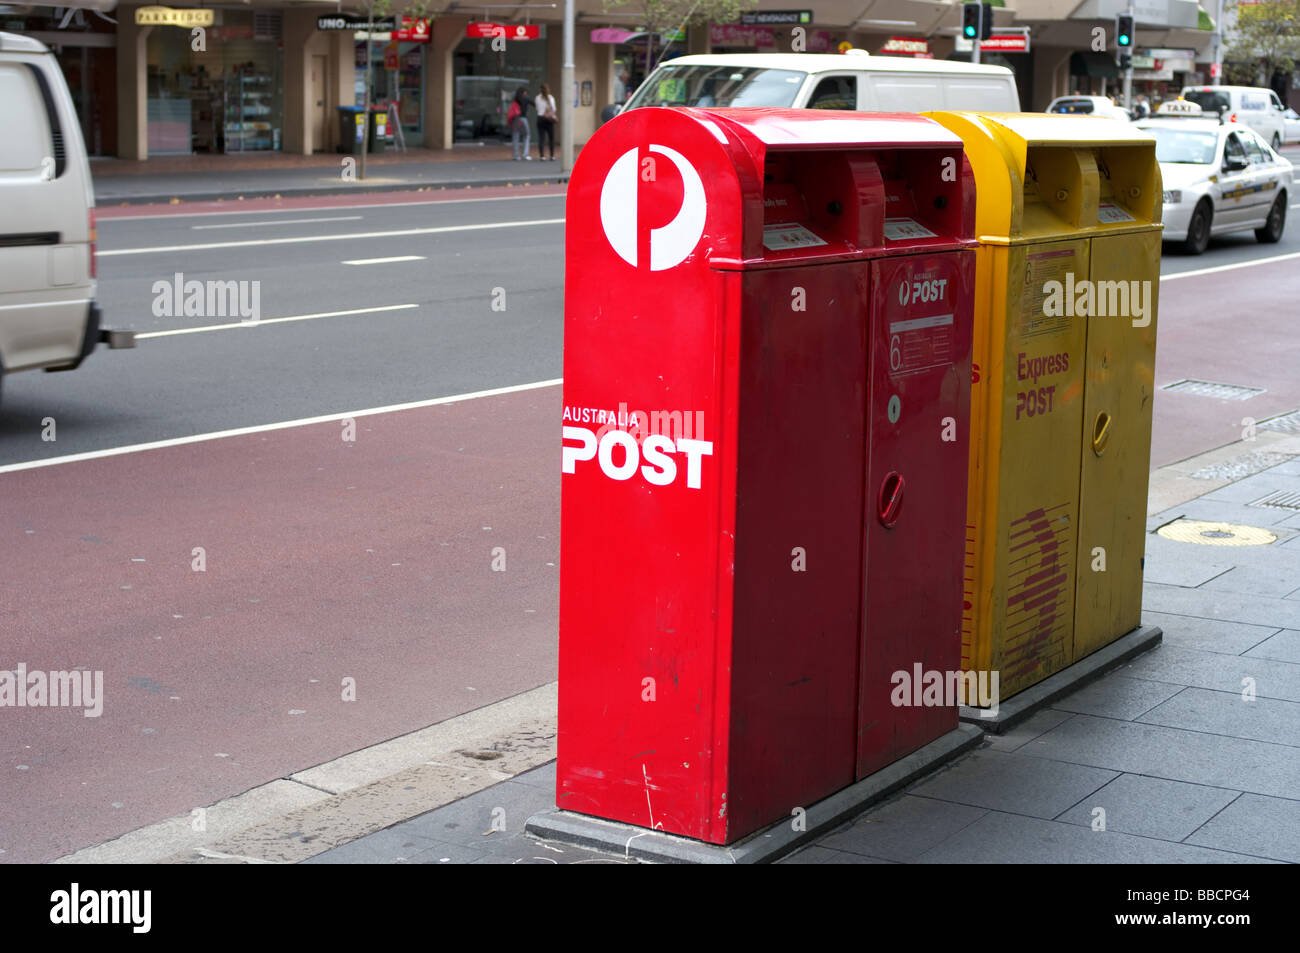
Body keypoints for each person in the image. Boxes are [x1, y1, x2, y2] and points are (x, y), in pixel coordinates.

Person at [507, 86, 532, 161]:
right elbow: (532, 103)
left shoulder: (515, 99)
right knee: (526, 135)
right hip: (522, 119)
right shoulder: (525, 98)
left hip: (515, 119)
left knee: (515, 136)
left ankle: (515, 155)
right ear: (524, 92)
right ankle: (525, 154)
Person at [535, 82, 557, 161]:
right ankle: (552, 155)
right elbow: (554, 109)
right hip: (549, 120)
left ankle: (542, 156)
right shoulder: (551, 98)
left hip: (540, 118)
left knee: (541, 138)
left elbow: (537, 108)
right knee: (551, 138)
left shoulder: (537, 98)